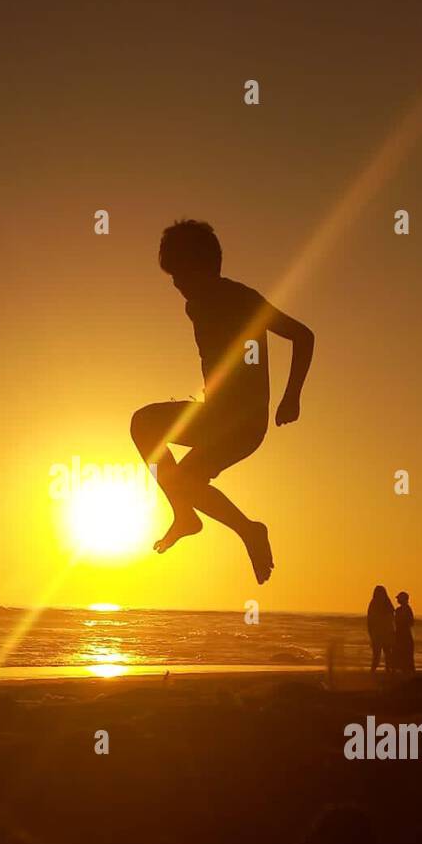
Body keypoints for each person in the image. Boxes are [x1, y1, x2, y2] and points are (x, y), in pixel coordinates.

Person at [130, 220, 314, 583]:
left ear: (205, 267)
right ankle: (206, 519)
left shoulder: (240, 298)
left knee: (144, 424)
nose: (176, 284)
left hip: (240, 423)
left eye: (181, 274)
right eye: (172, 276)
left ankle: (215, 522)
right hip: (216, 417)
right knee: (172, 465)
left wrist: (291, 396)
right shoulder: (195, 306)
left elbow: (303, 336)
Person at [366, 585, 395, 674]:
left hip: (384, 632)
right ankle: (375, 671)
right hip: (380, 633)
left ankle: (386, 671)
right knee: (380, 654)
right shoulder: (377, 603)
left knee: (386, 653)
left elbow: (370, 620)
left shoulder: (382, 602)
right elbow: (370, 620)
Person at [393, 591, 415, 676]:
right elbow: (411, 622)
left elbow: (409, 622)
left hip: (402, 634)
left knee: (404, 652)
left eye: (399, 598)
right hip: (403, 633)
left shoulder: (403, 609)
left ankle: (405, 671)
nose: (397, 600)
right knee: (404, 653)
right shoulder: (404, 609)